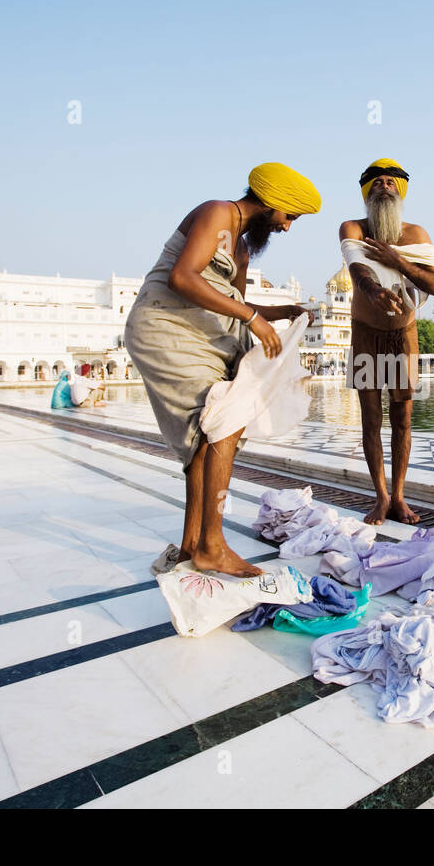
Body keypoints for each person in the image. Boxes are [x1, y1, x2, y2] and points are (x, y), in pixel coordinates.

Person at [124, 162, 319, 578]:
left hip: (206, 335)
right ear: (272, 203)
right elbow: (183, 277)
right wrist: (253, 318)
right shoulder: (217, 212)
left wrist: (283, 312)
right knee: (224, 420)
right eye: (289, 216)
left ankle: (193, 545)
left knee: (206, 437)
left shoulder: (242, 249)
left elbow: (229, 303)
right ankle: (213, 546)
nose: (287, 228)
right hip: (165, 327)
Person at [338, 159, 434, 525]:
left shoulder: (415, 235)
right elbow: (358, 267)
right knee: (371, 419)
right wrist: (372, 292)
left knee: (402, 418)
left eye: (390, 181)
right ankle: (380, 497)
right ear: (368, 193)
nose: (384, 186)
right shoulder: (353, 227)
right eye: (377, 182)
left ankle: (399, 497)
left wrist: (397, 260)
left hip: (404, 335)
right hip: (366, 333)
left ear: (399, 191)